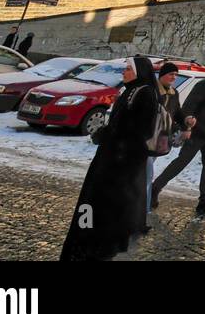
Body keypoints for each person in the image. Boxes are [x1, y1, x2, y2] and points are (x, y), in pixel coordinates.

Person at [60, 55, 158, 261]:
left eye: (128, 70)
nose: (124, 73)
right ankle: (90, 240)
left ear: (138, 72)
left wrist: (108, 135)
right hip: (111, 158)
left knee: (108, 205)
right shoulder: (130, 91)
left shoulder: (145, 94)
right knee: (95, 203)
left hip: (121, 163)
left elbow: (139, 130)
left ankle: (101, 244)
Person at [151, 59, 205, 215]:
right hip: (197, 133)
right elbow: (188, 108)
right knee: (181, 163)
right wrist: (187, 127)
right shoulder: (203, 86)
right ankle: (155, 188)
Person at [143, 62, 189, 228]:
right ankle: (144, 208)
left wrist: (185, 122)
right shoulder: (152, 91)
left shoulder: (173, 92)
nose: (174, 78)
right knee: (146, 174)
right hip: (146, 138)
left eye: (176, 75)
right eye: (171, 74)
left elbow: (176, 112)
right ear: (162, 75)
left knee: (145, 172)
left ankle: (141, 204)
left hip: (159, 140)